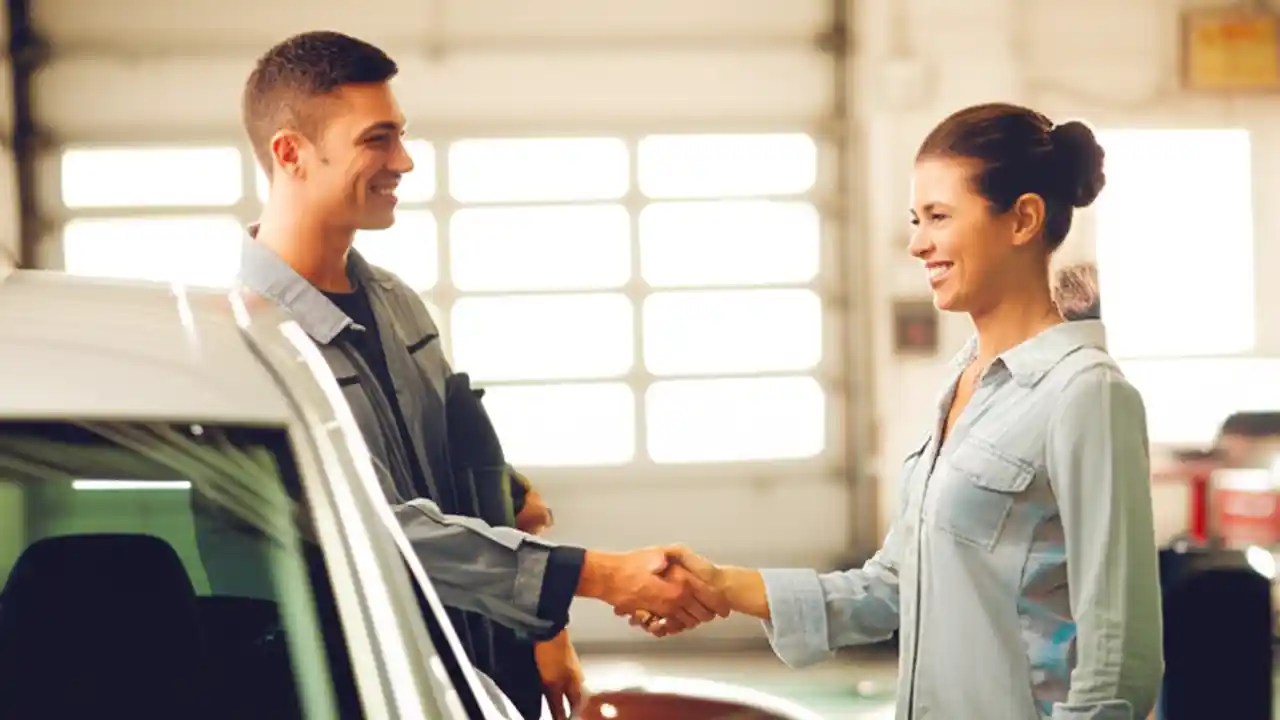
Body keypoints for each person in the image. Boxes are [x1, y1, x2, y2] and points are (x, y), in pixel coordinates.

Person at [233, 31, 727, 719]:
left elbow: (469, 476)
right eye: (377, 139)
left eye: (400, 136)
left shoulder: (397, 305)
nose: (403, 161)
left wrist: (541, 624)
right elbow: (373, 528)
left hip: (458, 676)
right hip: (346, 691)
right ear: (290, 152)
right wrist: (600, 576)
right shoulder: (246, 340)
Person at [638, 104, 1165, 720]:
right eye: (917, 219)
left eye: (939, 217)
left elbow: (1119, 655)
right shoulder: (963, 385)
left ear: (1022, 218)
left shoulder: (1086, 395)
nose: (917, 243)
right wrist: (722, 586)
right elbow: (891, 584)